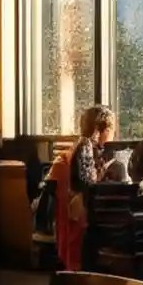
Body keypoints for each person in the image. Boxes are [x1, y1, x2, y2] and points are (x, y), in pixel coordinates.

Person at [54, 105, 116, 270]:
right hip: (81, 211)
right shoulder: (86, 147)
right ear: (103, 129)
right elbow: (88, 183)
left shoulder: (82, 145)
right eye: (111, 130)